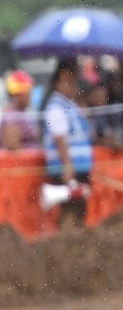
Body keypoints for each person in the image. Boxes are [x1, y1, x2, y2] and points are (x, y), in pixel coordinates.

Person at [40, 58, 93, 228]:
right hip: (68, 168)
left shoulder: (68, 104)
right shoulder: (56, 107)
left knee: (77, 210)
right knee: (72, 210)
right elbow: (59, 137)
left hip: (77, 166)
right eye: (68, 81)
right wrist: (67, 166)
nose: (72, 85)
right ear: (58, 83)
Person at [0, 70, 40, 151]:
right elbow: (12, 148)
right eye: (28, 91)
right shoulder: (12, 116)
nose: (30, 95)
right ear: (18, 93)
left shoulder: (22, 112)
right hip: (22, 163)